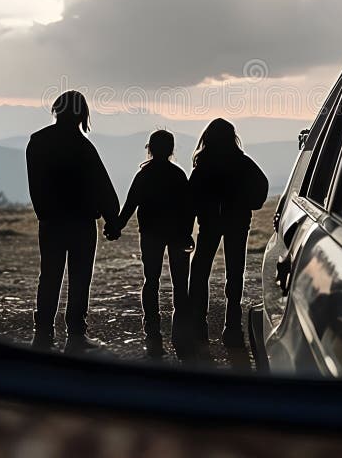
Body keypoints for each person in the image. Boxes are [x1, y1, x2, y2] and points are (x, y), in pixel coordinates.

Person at [26, 90, 119, 354]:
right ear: (82, 114)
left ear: (57, 110)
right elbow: (102, 186)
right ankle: (76, 333)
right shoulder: (83, 147)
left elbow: (36, 185)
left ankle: (43, 332)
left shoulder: (38, 141)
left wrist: (44, 213)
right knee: (80, 277)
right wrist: (113, 219)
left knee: (50, 275)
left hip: (51, 222)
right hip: (81, 223)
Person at [106, 130, 194, 358]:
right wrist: (187, 233)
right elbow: (188, 208)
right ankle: (181, 326)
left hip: (151, 234)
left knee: (151, 279)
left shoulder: (144, 175)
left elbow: (130, 205)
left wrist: (116, 226)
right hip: (177, 235)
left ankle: (152, 327)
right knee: (179, 281)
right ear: (171, 149)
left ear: (150, 148)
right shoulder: (178, 175)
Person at [187, 118, 268, 349]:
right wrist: (250, 203)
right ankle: (232, 321)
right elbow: (261, 185)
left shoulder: (203, 166)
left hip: (209, 224)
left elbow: (191, 199)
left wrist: (186, 228)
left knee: (200, 269)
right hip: (237, 222)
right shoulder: (242, 163)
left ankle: (198, 320)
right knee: (235, 270)